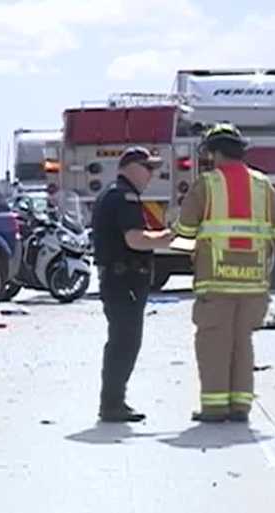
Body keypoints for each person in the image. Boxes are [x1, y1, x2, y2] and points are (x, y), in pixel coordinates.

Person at [172, 124, 275, 423]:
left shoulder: (206, 184)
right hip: (253, 283)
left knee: (214, 344)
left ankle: (214, 407)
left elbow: (184, 234)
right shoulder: (263, 185)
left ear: (213, 152)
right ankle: (240, 407)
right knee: (242, 344)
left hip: (217, 280)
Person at [91, 147, 176, 423]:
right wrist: (167, 237)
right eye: (147, 167)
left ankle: (114, 401)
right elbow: (135, 239)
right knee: (125, 342)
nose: (152, 174)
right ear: (130, 167)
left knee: (122, 340)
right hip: (124, 280)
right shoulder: (124, 196)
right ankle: (112, 404)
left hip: (119, 279)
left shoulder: (113, 193)